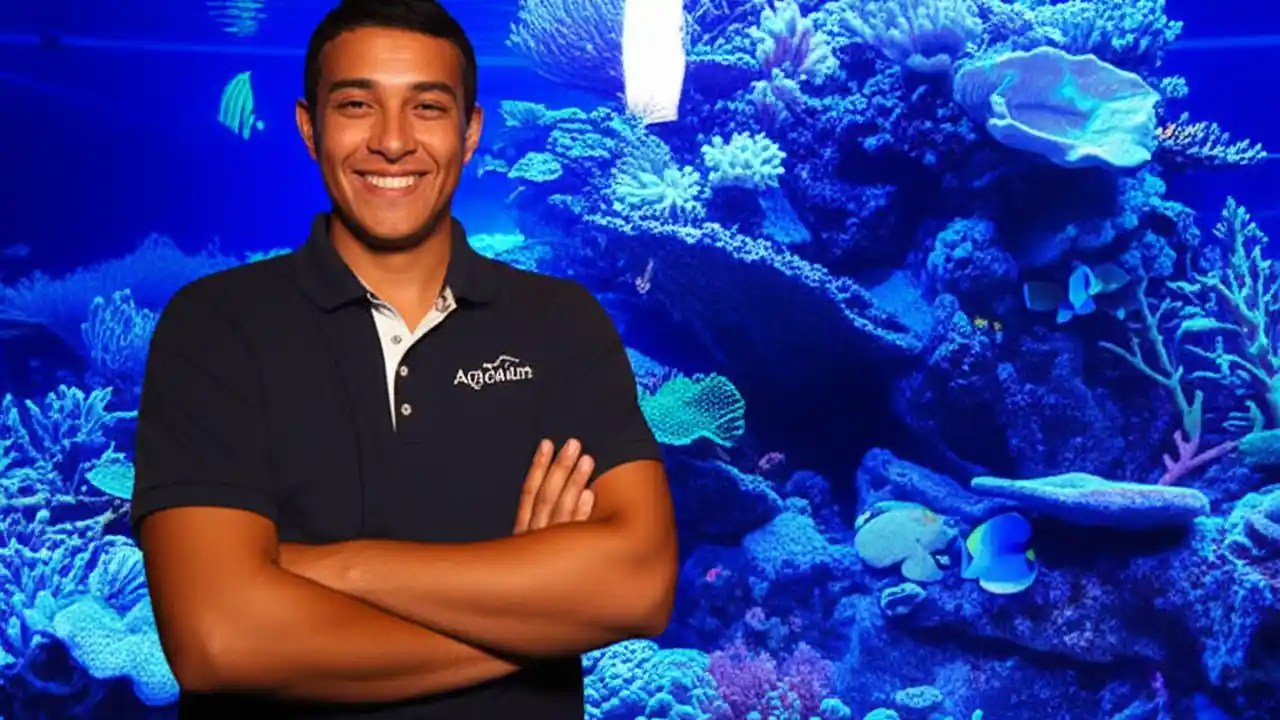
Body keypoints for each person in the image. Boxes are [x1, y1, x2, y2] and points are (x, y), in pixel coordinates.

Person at [129, 1, 679, 718]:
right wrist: (545, 618)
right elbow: (220, 640)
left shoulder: (563, 322)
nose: (392, 141)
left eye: (428, 107)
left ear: (470, 131)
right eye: (357, 105)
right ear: (309, 127)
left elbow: (639, 587)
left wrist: (338, 566)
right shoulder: (214, 326)